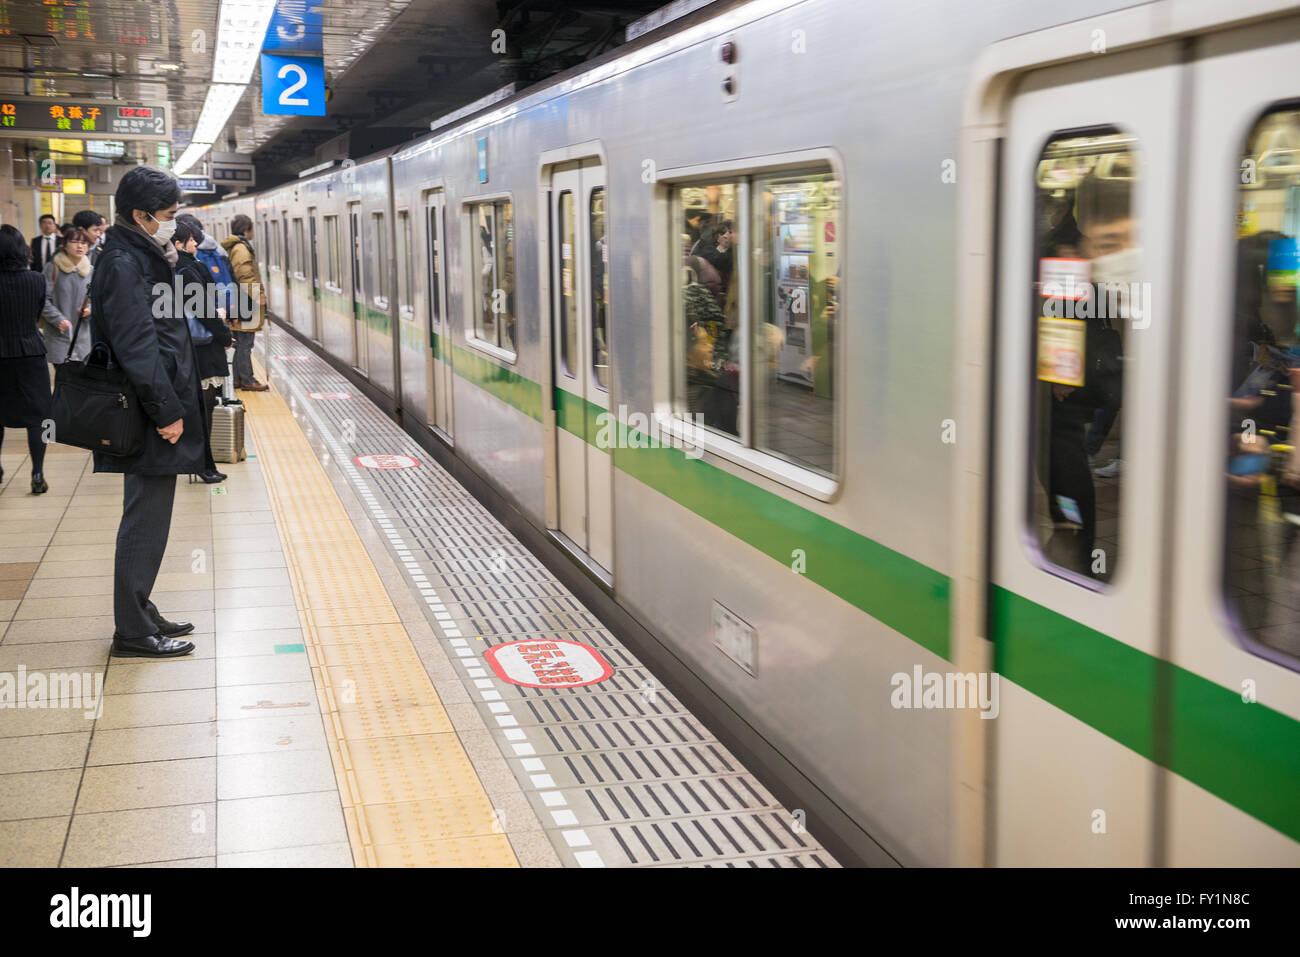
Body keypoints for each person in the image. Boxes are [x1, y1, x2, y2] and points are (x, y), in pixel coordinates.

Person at [92, 166, 201, 658]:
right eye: (168, 216)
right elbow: (137, 344)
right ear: (140, 215)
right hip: (147, 408)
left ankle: (141, 609)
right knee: (145, 520)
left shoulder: (140, 254)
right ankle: (132, 631)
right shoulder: (121, 263)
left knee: (150, 515)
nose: (173, 224)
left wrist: (172, 263)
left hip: (155, 400)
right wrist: (164, 411)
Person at [174, 214, 230, 484]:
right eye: (190, 239)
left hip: (194, 345)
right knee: (202, 409)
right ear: (178, 244)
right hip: (202, 347)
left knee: (200, 408)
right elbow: (203, 311)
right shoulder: (186, 271)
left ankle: (201, 462)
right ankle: (203, 464)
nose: (195, 243)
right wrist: (225, 334)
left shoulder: (180, 267)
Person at [0, 226, 53, 494]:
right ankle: (38, 472)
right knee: (40, 417)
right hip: (31, 353)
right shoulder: (36, 280)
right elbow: (37, 314)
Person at [220, 214, 268, 391]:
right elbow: (245, 275)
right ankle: (248, 380)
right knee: (245, 344)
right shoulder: (242, 248)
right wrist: (259, 295)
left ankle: (238, 379)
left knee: (240, 342)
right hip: (245, 302)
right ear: (246, 230)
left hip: (239, 300)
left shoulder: (236, 247)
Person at [41, 225, 94, 367]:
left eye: (84, 243)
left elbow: (99, 298)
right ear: (64, 245)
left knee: (81, 381)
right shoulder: (52, 268)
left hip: (83, 335)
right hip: (58, 333)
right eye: (74, 242)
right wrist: (58, 319)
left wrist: (90, 309)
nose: (79, 246)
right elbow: (42, 299)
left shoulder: (91, 271)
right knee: (63, 379)